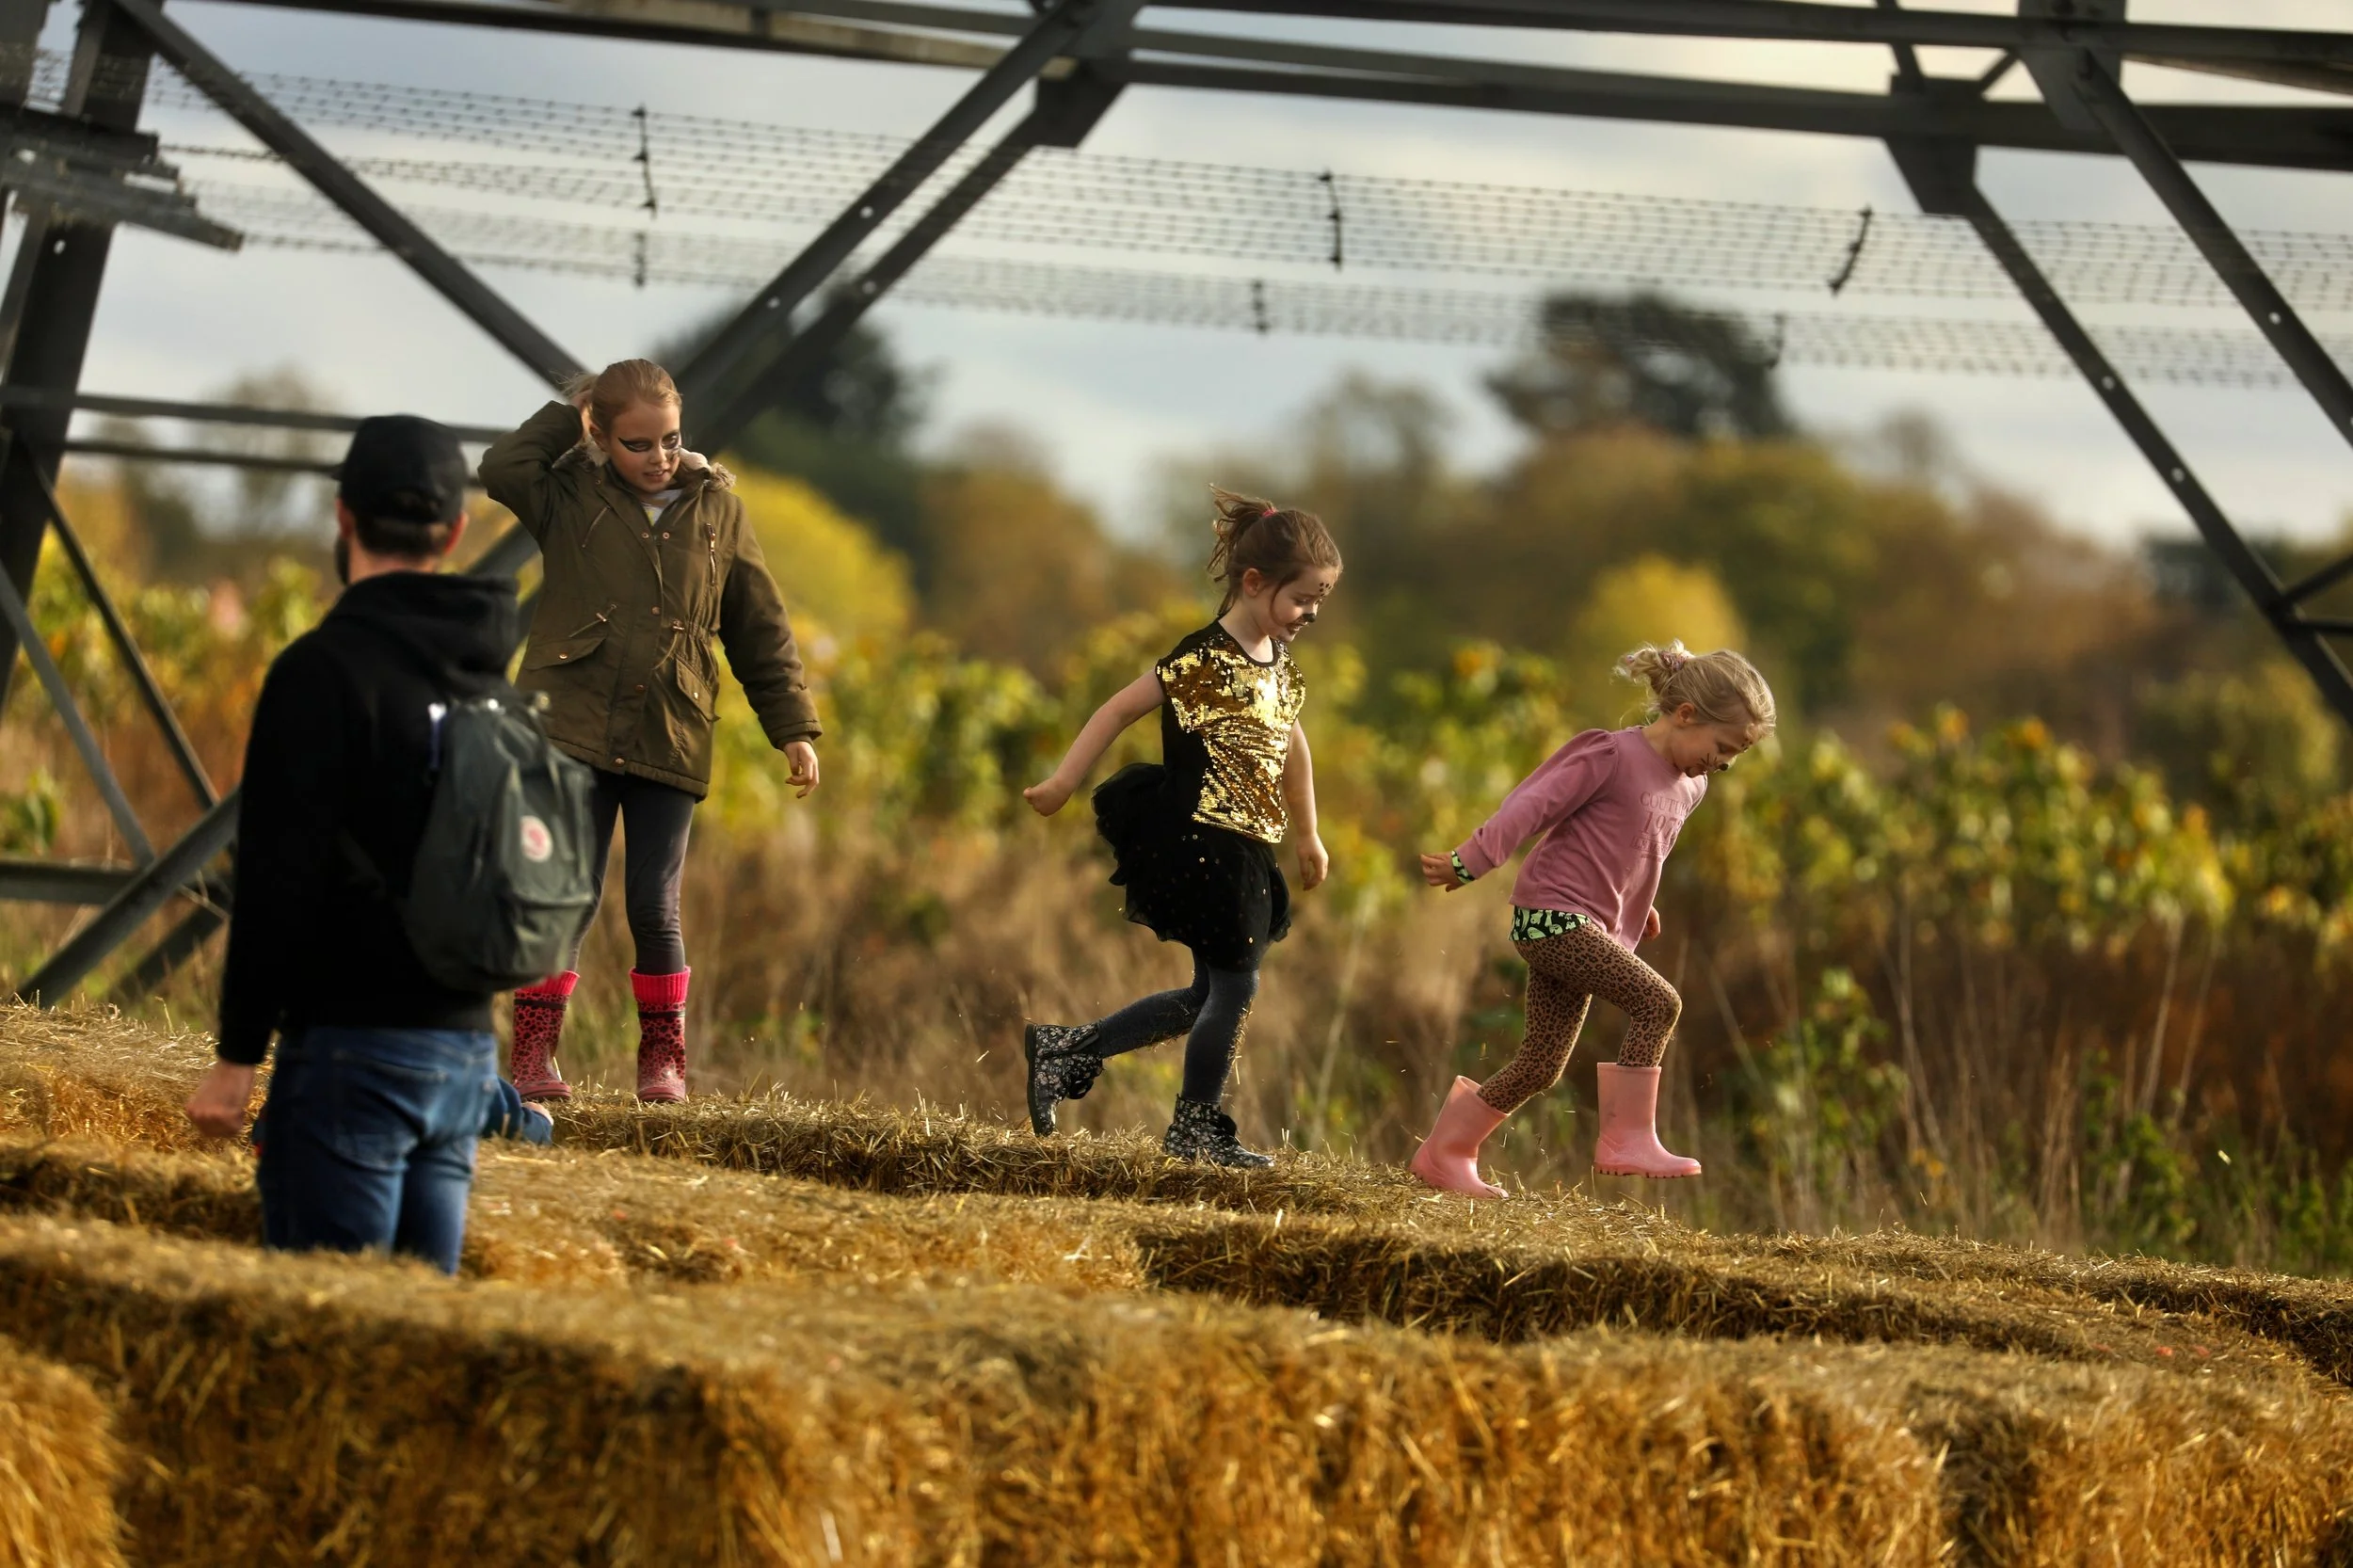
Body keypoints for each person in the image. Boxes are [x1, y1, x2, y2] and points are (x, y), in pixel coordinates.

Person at [183, 415, 515, 1272]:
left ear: (342, 518)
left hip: (351, 1054)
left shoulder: (320, 673)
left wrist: (234, 1060)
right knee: (407, 1355)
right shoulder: (489, 681)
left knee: (325, 1334)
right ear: (453, 532)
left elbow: (274, 879)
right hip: (465, 1058)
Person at [478, 360, 822, 1104]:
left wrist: (792, 726)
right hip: (571, 723)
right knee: (565, 891)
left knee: (654, 905)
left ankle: (663, 1063)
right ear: (600, 435)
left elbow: (758, 627)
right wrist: (570, 413)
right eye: (637, 444)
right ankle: (533, 1056)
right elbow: (501, 465)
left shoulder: (719, 510)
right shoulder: (568, 495)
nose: (660, 457)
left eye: (670, 440)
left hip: (672, 725)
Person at [1019, 488, 1340, 1167]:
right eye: (1303, 599)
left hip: (1251, 844)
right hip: (1203, 840)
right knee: (1237, 987)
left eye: (1320, 601)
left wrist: (1309, 834)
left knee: (1208, 993)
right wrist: (1061, 783)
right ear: (1254, 584)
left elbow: (1294, 748)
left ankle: (1066, 1050)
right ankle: (1194, 1128)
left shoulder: (1277, 665)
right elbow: (1115, 711)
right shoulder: (1204, 661)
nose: (1311, 613)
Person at [1411, 642, 1776, 1196]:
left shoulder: (1692, 787)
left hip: (1590, 925)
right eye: (1723, 747)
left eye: (1735, 757)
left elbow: (1634, 848)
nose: (1723, 763)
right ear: (1685, 715)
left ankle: (1446, 1153)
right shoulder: (1609, 755)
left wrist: (1637, 904)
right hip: (1550, 916)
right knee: (1659, 1003)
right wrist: (1473, 858)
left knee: (1540, 1066)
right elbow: (1531, 806)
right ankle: (1627, 1138)